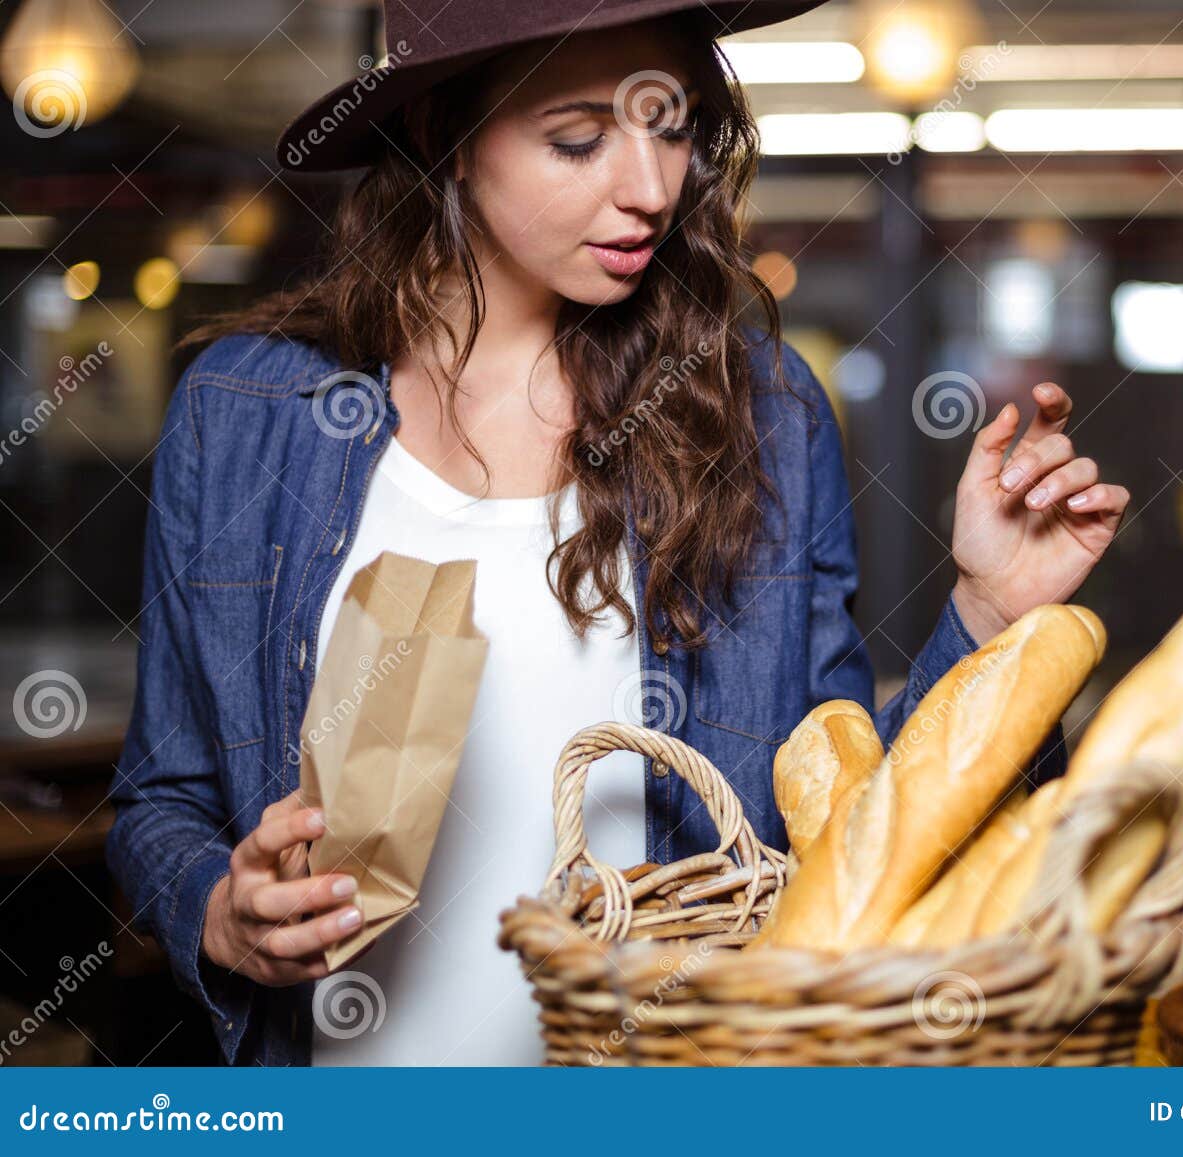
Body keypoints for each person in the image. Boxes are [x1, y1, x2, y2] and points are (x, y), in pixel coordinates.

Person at [105, 0, 1130, 1066]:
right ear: (438, 135)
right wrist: (221, 908)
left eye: (673, 125)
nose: (650, 188)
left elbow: (851, 835)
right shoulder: (246, 419)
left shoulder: (761, 416)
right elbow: (163, 797)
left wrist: (991, 616)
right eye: (578, 138)